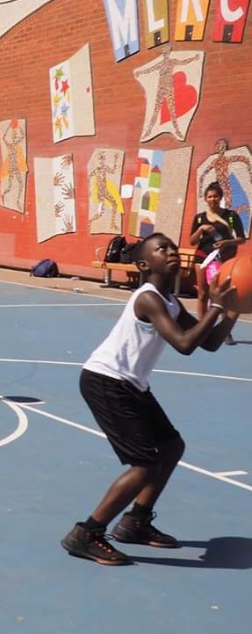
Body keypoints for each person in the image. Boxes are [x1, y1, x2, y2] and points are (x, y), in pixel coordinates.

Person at [61, 233, 240, 566]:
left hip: (130, 385)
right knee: (145, 465)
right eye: (162, 249)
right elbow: (184, 344)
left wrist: (230, 312)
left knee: (171, 446)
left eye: (173, 248)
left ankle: (136, 523)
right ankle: (86, 533)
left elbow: (209, 343)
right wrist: (214, 306)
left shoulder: (170, 302)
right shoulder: (148, 299)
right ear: (144, 264)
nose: (171, 252)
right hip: (106, 381)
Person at [189, 181, 246, 344]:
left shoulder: (231, 216)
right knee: (202, 293)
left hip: (224, 259)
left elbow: (241, 239)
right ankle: (202, 328)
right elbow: (192, 241)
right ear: (205, 199)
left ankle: (224, 331)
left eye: (215, 196)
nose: (212, 199)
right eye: (209, 196)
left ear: (221, 197)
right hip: (203, 258)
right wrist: (201, 230)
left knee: (221, 295)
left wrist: (227, 243)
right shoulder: (200, 218)